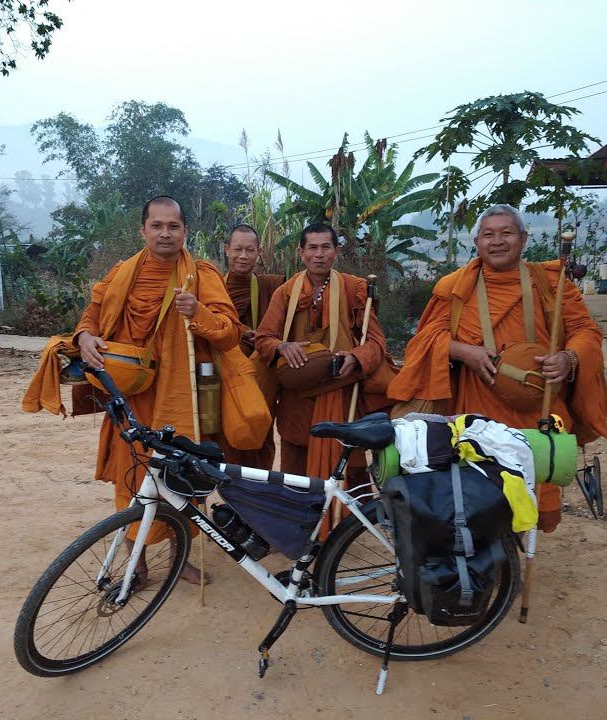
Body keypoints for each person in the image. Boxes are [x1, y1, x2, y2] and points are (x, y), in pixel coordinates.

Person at [387, 204, 607, 533]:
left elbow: (586, 331)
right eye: (488, 234)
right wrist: (464, 351)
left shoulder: (551, 283)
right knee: (477, 492)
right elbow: (424, 341)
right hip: (474, 410)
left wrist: (569, 358)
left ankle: (513, 552)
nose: (497, 241)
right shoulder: (454, 288)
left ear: (522, 239)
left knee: (531, 493)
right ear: (476, 242)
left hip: (536, 407)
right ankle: (487, 562)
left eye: (506, 233)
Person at [69, 195, 251, 585]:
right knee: (132, 475)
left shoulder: (201, 275)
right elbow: (94, 313)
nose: (165, 233)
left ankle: (178, 556)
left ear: (185, 230)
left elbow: (230, 331)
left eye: (173, 226)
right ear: (144, 230)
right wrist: (84, 335)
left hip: (182, 395)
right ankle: (137, 564)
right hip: (133, 397)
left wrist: (198, 313)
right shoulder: (122, 273)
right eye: (157, 225)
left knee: (184, 475)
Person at [253, 223, 392, 538]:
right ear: (300, 252)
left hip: (341, 393)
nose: (319, 254)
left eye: (325, 247)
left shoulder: (354, 289)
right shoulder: (286, 292)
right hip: (297, 397)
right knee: (295, 466)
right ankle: (298, 528)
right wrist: (282, 347)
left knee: (350, 464)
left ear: (336, 251)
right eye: (312, 248)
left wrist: (356, 357)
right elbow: (264, 338)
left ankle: (352, 529)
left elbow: (376, 343)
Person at [219, 223, 285, 470]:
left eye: (250, 250)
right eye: (237, 249)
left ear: (259, 251)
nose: (243, 256)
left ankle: (260, 487)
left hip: (261, 375)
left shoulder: (274, 285)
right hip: (224, 372)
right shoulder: (212, 284)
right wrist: (241, 332)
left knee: (260, 429)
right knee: (226, 432)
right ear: (227, 249)